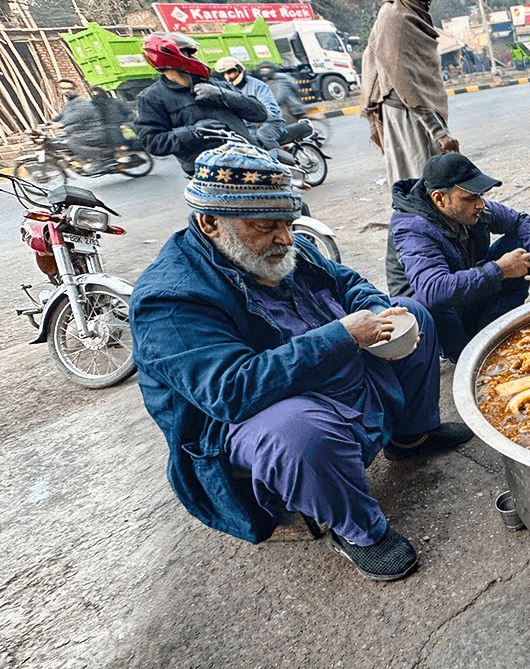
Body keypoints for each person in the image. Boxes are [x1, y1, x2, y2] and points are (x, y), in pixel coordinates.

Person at [130, 143, 472, 582]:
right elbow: (231, 392)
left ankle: (410, 437)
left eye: (289, 224)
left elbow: (347, 283)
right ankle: (359, 531)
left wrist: (375, 309)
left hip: (324, 368)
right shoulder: (169, 300)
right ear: (210, 222)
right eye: (266, 227)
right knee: (299, 433)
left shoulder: (283, 245)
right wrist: (342, 336)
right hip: (247, 415)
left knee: (412, 315)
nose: (286, 239)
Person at [387, 153, 530, 362]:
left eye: (479, 196)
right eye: (470, 198)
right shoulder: (412, 229)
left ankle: (496, 327)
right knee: (435, 307)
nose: (480, 204)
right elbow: (433, 290)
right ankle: (461, 351)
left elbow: (518, 221)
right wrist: (500, 269)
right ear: (439, 198)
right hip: (435, 317)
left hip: (463, 296)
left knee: (519, 244)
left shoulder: (470, 209)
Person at [360, 0, 458, 185]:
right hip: (410, 115)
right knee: (426, 184)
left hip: (413, 114)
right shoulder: (396, 18)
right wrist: (438, 132)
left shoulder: (409, 15)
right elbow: (405, 82)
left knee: (418, 181)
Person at [134, 32, 267, 175]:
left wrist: (224, 95)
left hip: (252, 161)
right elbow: (152, 142)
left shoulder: (217, 85)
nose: (195, 58)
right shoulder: (153, 98)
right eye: (189, 54)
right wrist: (194, 132)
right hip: (212, 175)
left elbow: (260, 114)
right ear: (172, 56)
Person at [215, 56, 286, 148]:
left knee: (263, 135)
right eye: (224, 73)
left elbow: (271, 109)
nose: (227, 76)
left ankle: (278, 156)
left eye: (230, 72)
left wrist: (258, 117)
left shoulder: (258, 86)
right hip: (248, 127)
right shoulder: (227, 90)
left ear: (239, 69)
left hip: (271, 122)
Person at [53, 80, 114, 169]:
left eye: (69, 88)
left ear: (75, 89)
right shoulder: (69, 103)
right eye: (63, 88)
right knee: (60, 140)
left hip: (94, 131)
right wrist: (47, 123)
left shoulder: (81, 102)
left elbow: (76, 116)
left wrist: (61, 123)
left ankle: (98, 159)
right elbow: (61, 115)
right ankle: (79, 159)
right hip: (83, 131)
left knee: (73, 141)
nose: (66, 91)